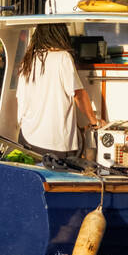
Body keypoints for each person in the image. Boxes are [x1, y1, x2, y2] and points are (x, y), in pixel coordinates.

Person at [15, 23, 106, 157]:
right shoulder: (63, 57)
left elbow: (20, 98)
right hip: (56, 143)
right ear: (60, 35)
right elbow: (78, 95)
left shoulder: (28, 59)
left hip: (28, 137)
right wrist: (94, 122)